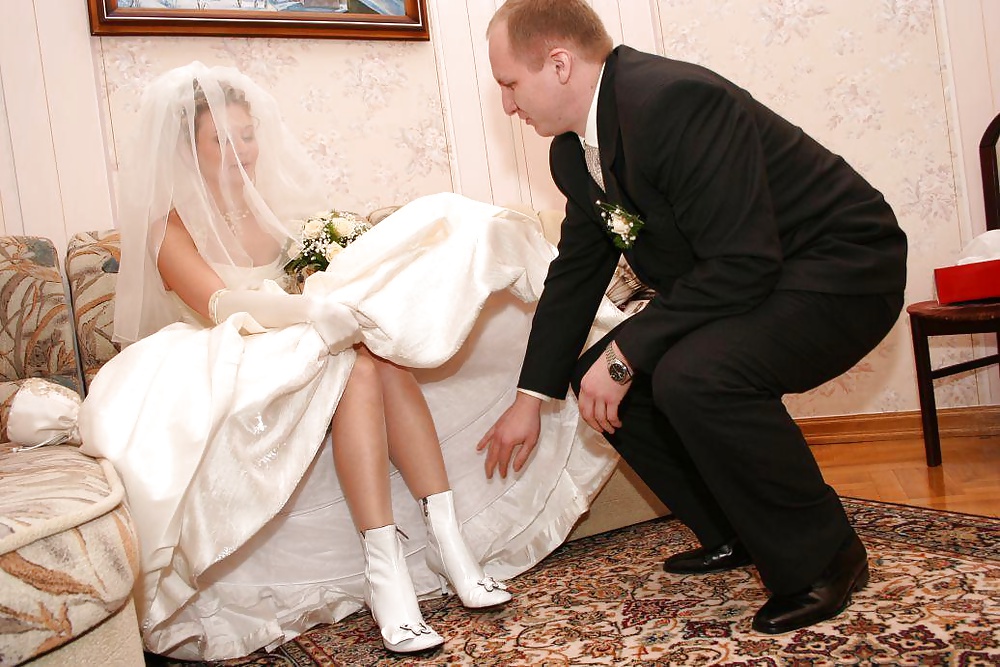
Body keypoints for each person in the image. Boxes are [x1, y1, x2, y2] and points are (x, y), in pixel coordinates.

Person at [8, 62, 622, 660]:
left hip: (299, 337)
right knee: (358, 363)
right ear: (188, 150)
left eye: (248, 135)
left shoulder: (270, 211)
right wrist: (311, 312)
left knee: (378, 353)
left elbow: (320, 276)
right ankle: (387, 572)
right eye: (222, 140)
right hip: (225, 350)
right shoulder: (167, 224)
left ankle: (447, 540)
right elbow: (218, 304)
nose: (242, 151)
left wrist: (333, 291)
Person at [479, 0, 907, 635]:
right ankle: (736, 529)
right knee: (596, 375)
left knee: (695, 375)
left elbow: (741, 259)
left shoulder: (673, 101)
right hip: (758, 274)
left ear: (559, 64)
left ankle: (825, 559)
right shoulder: (573, 154)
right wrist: (530, 397)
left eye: (510, 83)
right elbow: (575, 275)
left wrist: (626, 357)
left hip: (842, 267)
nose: (508, 105)